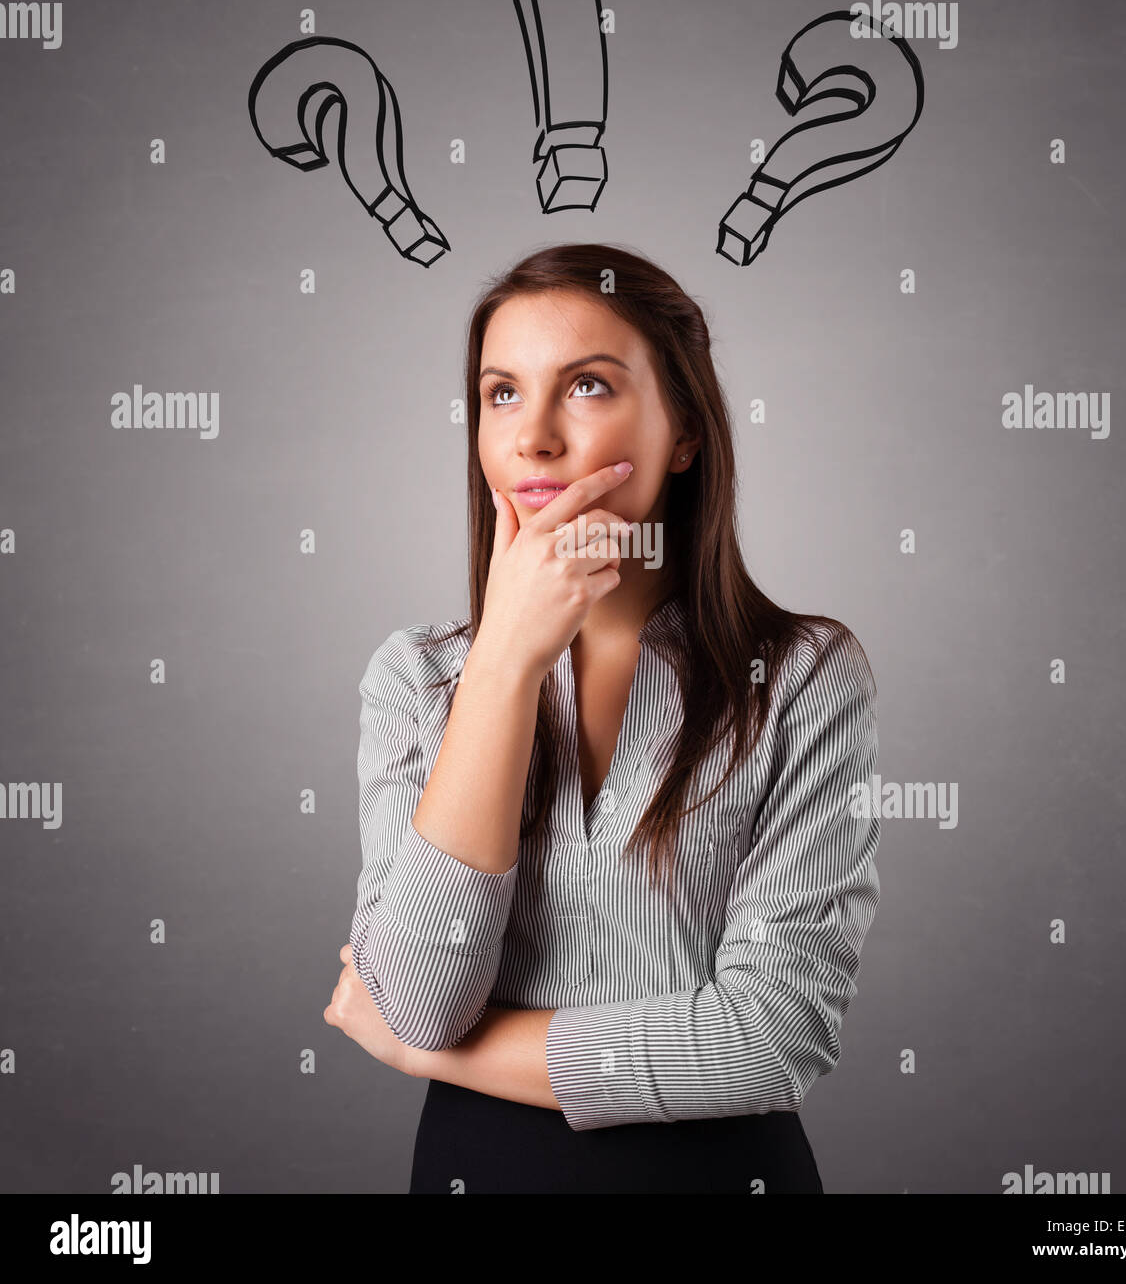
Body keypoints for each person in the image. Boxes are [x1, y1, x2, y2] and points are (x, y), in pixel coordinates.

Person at [324, 242, 881, 1194]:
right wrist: (502, 664)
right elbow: (418, 999)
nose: (532, 437)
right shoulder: (415, 677)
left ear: (684, 435)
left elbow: (769, 1040)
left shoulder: (799, 677)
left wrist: (443, 1060)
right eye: (501, 393)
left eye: (585, 386)